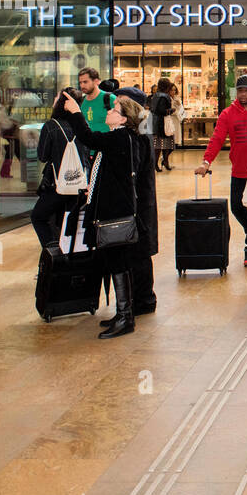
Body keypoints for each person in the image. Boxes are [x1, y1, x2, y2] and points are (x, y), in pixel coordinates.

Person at [60, 92, 156, 338]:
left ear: (124, 120)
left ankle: (126, 316)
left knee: (118, 261)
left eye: (115, 110)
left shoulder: (122, 138)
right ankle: (124, 312)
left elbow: (88, 137)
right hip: (114, 209)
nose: (110, 113)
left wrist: (76, 113)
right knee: (116, 261)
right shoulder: (122, 138)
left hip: (116, 212)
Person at [198, 74, 247, 267]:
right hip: (238, 170)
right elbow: (217, 139)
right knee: (236, 207)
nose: (243, 94)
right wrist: (207, 162)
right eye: (240, 90)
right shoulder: (228, 114)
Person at [114, 86, 160, 319]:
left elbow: (134, 171)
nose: (115, 106)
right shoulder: (140, 131)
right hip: (140, 201)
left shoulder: (138, 135)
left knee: (139, 251)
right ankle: (139, 299)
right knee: (138, 251)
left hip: (139, 203)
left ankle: (142, 300)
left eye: (120, 103)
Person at [29, 87, 88, 248]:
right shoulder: (82, 125)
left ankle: (53, 255)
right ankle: (67, 254)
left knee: (38, 217)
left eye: (56, 97)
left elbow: (43, 156)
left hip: (56, 183)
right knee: (66, 220)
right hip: (79, 184)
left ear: (62, 102)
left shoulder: (51, 126)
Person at [77, 68, 116, 137]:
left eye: (85, 82)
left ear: (96, 81)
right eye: (80, 82)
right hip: (87, 146)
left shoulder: (110, 99)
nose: (82, 86)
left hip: (106, 145)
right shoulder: (81, 101)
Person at [151, 78, 176, 173]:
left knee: (159, 145)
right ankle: (163, 162)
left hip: (156, 123)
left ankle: (160, 163)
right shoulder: (164, 96)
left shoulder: (155, 95)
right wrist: (171, 110)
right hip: (163, 123)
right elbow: (162, 111)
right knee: (168, 144)